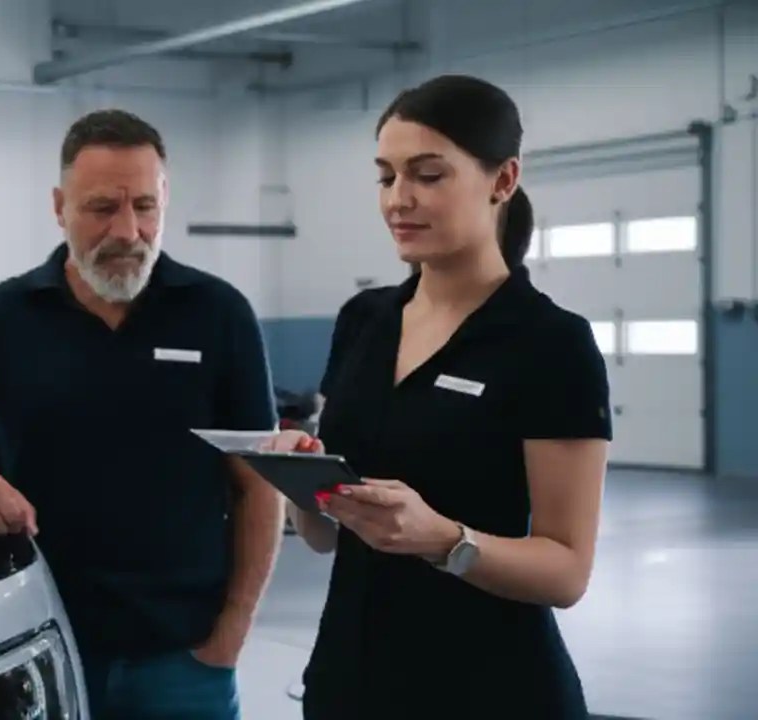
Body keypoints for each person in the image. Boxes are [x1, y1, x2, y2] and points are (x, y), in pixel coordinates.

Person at [0, 108, 284, 720]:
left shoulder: (219, 315)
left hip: (182, 655)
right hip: (30, 640)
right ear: (59, 205)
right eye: (101, 208)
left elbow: (258, 484)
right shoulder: (0, 319)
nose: (127, 230)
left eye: (145, 207)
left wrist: (230, 635)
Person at [269, 74, 612, 719]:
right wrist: (303, 485)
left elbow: (566, 571)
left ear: (503, 180)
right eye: (386, 176)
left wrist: (444, 539)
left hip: (491, 691)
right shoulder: (363, 321)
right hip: (350, 682)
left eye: (428, 175)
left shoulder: (550, 344)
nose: (400, 199)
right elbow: (325, 538)